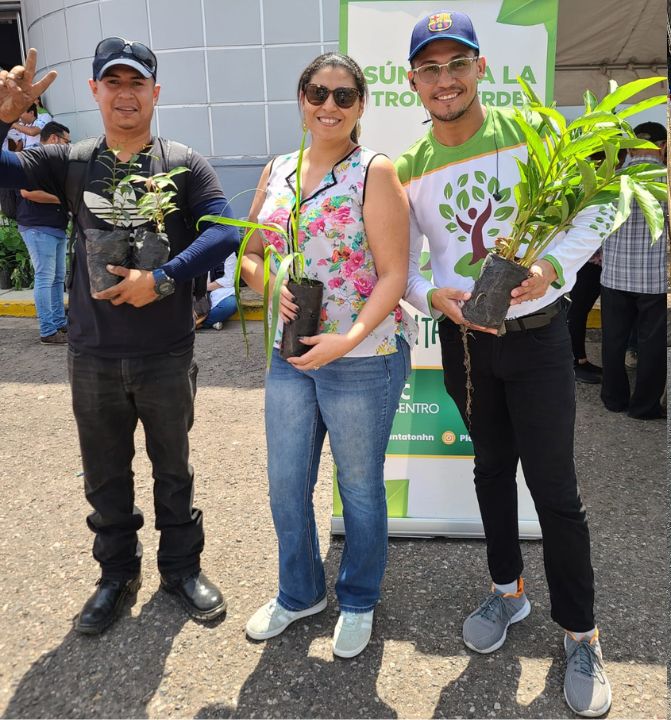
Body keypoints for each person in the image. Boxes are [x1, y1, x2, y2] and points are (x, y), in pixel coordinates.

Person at [396, 11, 614, 717]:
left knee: (555, 490)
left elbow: (602, 203)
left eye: (457, 63)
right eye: (430, 69)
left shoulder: (531, 133)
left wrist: (553, 266)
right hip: (464, 344)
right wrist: (431, 295)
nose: (445, 80)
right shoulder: (406, 168)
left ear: (480, 68)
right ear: (412, 82)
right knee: (490, 470)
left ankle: (581, 633)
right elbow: (399, 265)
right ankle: (507, 591)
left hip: (540, 336)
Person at [0, 42, 239, 634]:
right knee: (104, 474)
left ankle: (181, 569)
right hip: (93, 353)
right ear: (95, 91)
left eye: (137, 83)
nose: (125, 94)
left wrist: (162, 278)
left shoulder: (183, 163)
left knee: (173, 468)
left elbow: (224, 231)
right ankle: (115, 575)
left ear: (155, 92)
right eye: (114, 82)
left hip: (166, 352)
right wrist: (2, 118)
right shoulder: (72, 160)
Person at [237, 53, 412, 660]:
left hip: (361, 357)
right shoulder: (279, 170)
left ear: (361, 105)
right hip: (290, 353)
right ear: (301, 99)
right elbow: (250, 254)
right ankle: (300, 592)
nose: (328, 106)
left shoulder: (374, 172)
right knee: (287, 483)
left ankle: (359, 598)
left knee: (359, 486)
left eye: (343, 96)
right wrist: (270, 284)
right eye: (317, 93)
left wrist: (350, 337)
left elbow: (394, 275)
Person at [599, 121, 668, 419]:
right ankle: (644, 406)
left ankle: (613, 399)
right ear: (663, 147)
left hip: (614, 275)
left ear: (629, 148)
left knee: (613, 340)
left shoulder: (611, 180)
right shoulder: (669, 181)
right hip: (654, 279)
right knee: (652, 345)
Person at [16, 120, 70, 344]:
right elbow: (27, 192)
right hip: (38, 226)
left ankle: (59, 322)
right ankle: (48, 330)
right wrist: (62, 200)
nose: (68, 146)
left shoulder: (52, 162)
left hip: (55, 226)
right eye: (67, 142)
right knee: (45, 277)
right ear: (55, 138)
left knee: (57, 278)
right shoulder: (34, 157)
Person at [567, 248, 603, 383]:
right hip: (585, 261)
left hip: (596, 262)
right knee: (576, 313)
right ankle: (573, 364)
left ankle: (581, 360)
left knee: (580, 312)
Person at [196, 251, 238, 330]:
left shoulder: (228, 252)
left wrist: (204, 287)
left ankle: (199, 324)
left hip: (217, 291)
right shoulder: (194, 251)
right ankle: (212, 321)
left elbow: (229, 280)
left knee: (230, 304)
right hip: (194, 293)